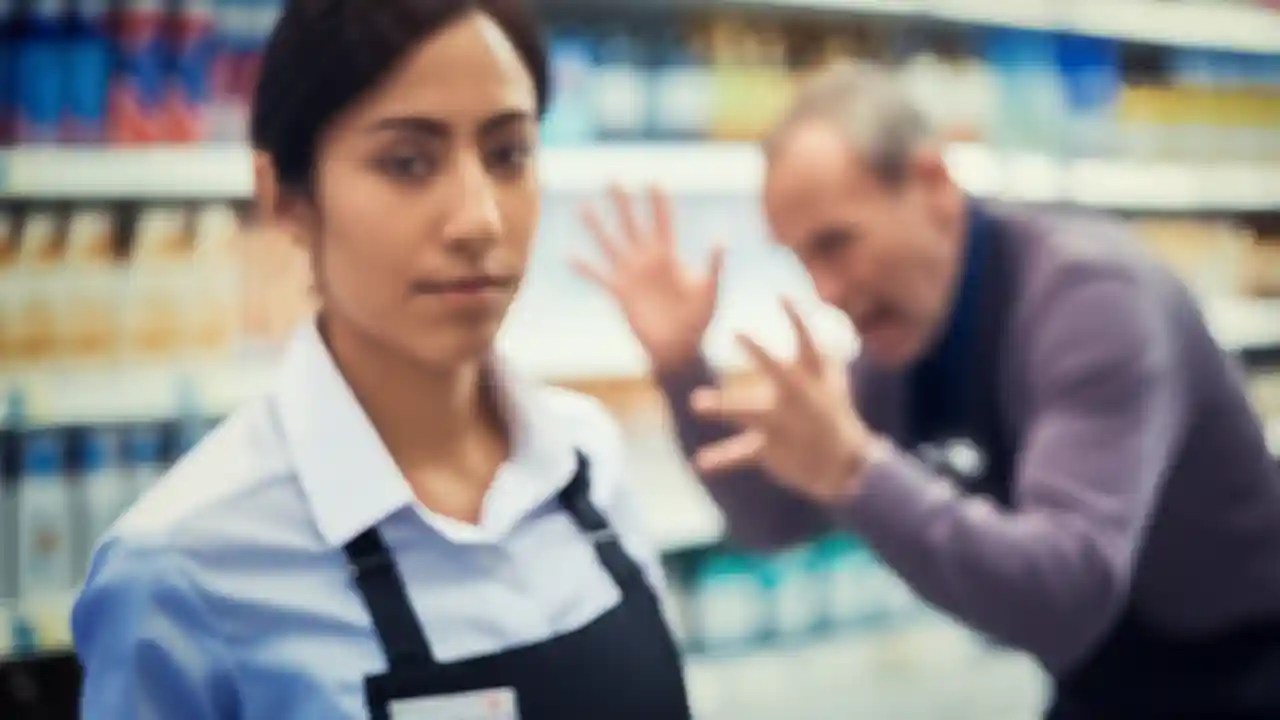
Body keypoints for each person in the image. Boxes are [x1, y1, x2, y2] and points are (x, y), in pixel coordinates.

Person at [579, 61, 1280, 719]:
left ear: (934, 184)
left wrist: (856, 469)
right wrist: (680, 366)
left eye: (836, 244)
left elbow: (1065, 596)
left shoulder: (1091, 304)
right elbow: (774, 521)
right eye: (800, 259)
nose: (825, 292)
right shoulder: (904, 340)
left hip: (1247, 668)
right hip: (1106, 674)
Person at [71, 2, 691, 718]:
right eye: (407, 163)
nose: (479, 219)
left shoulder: (591, 463)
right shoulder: (184, 565)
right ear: (287, 199)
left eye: (508, 155)